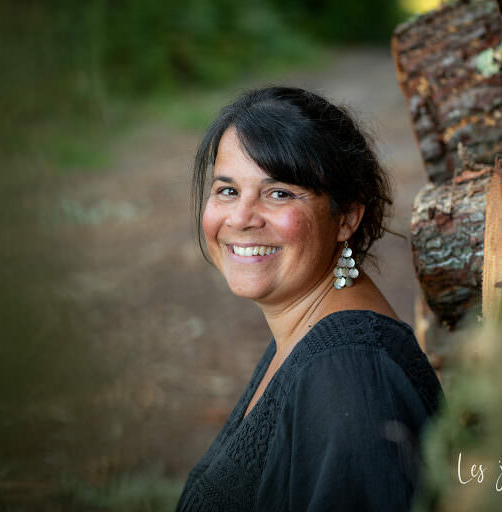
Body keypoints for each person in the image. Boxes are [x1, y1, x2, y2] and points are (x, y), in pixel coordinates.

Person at [177, 86, 443, 511]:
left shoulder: (350, 377)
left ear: (347, 217)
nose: (241, 218)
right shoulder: (308, 335)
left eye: (279, 193)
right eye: (227, 190)